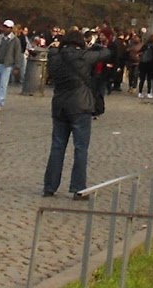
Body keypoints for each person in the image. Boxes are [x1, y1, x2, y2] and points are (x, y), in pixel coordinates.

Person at [44, 29, 98, 199]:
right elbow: (106, 52)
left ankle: (49, 187)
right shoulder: (83, 57)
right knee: (80, 148)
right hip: (80, 106)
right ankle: (78, 188)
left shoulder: (54, 57)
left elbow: (52, 51)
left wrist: (56, 46)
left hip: (59, 104)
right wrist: (92, 44)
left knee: (57, 147)